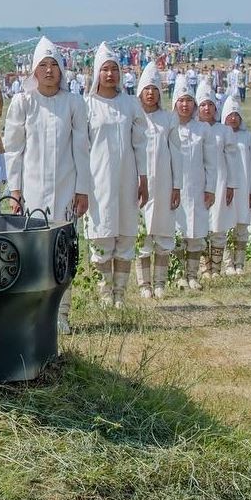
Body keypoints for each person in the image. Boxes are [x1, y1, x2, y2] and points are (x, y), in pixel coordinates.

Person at [4, 36, 91, 332]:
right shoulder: (23, 102)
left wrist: (83, 190)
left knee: (63, 250)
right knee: (33, 250)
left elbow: (82, 148)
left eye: (54, 64)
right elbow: (14, 148)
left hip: (67, 189)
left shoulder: (74, 103)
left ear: (62, 70)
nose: (49, 70)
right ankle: (33, 313)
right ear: (34, 71)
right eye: (43, 65)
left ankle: (61, 314)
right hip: (31, 191)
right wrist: (14, 191)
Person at [84, 43, 148, 308]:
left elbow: (141, 143)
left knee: (124, 233)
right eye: (105, 70)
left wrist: (143, 178)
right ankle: (104, 293)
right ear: (97, 73)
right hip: (97, 180)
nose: (110, 74)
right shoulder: (87, 105)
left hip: (127, 179)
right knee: (102, 231)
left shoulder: (130, 105)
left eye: (114, 69)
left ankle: (120, 294)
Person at [135, 63, 181, 299]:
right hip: (138, 184)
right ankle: (144, 284)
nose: (150, 93)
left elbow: (176, 153)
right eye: (147, 89)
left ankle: (160, 282)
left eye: (154, 89)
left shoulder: (169, 119)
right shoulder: (134, 116)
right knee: (141, 232)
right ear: (140, 92)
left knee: (163, 232)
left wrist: (177, 186)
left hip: (164, 184)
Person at [172, 81, 216, 291]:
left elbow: (211, 163)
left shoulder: (203, 129)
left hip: (197, 189)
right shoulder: (169, 127)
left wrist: (210, 189)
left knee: (196, 232)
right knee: (178, 232)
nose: (185, 105)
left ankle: (192, 274)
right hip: (174, 190)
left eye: (189, 101)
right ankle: (179, 273)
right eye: (181, 101)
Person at [195, 82, 238, 278]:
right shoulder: (193, 129)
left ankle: (217, 268)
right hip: (197, 182)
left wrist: (231, 185)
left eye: (210, 105)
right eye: (203, 104)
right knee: (201, 224)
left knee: (218, 225)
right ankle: (204, 268)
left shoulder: (224, 131)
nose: (206, 108)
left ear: (215, 107)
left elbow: (232, 160)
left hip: (220, 182)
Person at [220, 99, 251, 275]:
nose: (233, 119)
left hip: (243, 189)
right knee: (227, 225)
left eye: (236, 115)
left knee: (241, 226)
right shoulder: (220, 135)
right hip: (225, 188)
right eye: (230, 115)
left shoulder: (247, 137)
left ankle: (240, 263)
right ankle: (228, 264)